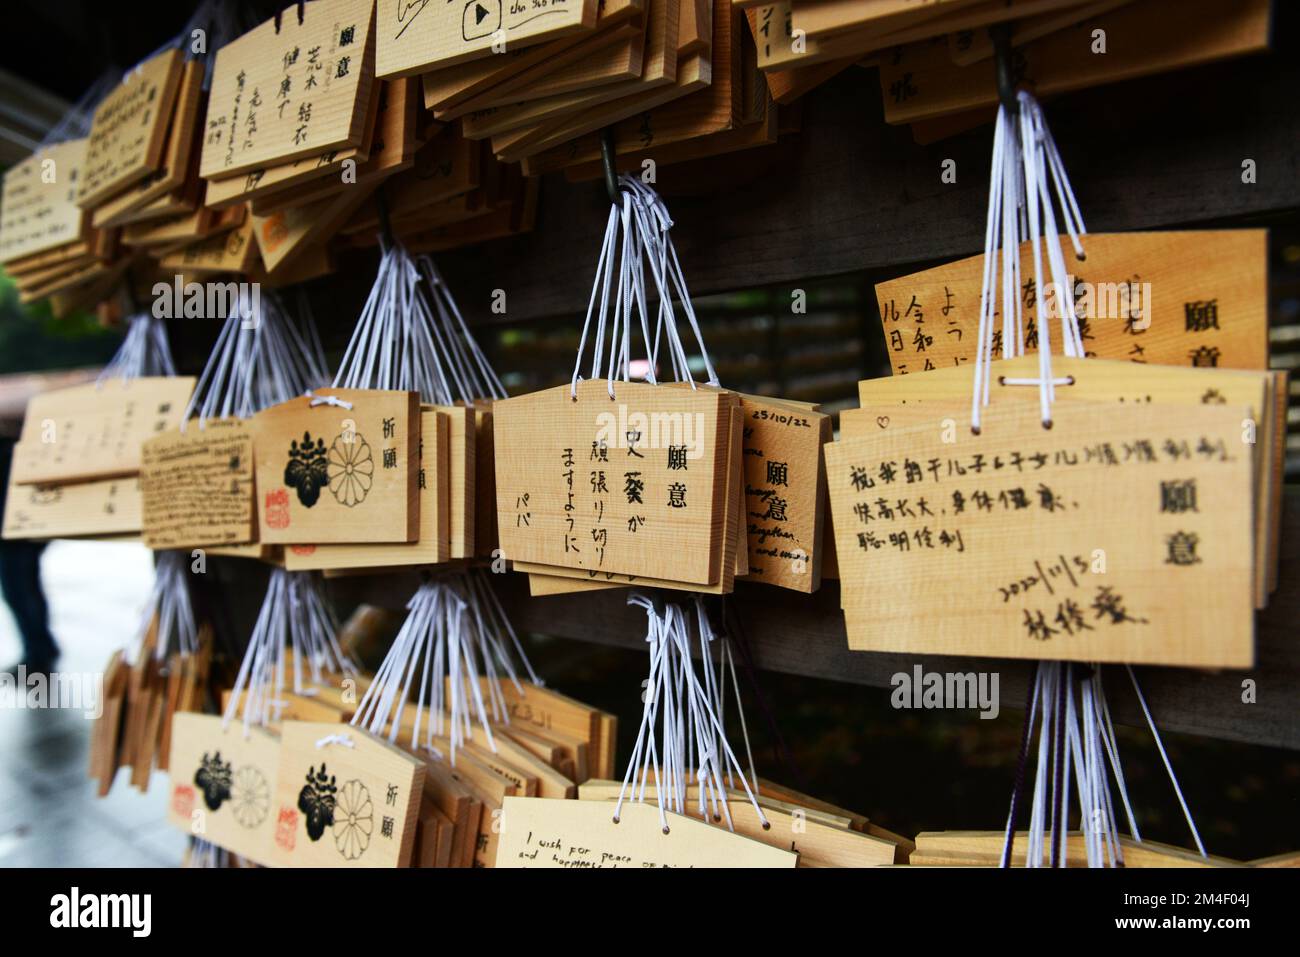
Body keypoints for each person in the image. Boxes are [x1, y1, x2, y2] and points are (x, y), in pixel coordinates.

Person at [0, 421, 59, 676]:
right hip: (20, 529)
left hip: (16, 530)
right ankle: (40, 649)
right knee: (24, 588)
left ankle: (38, 654)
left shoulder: (10, 451)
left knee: (19, 589)